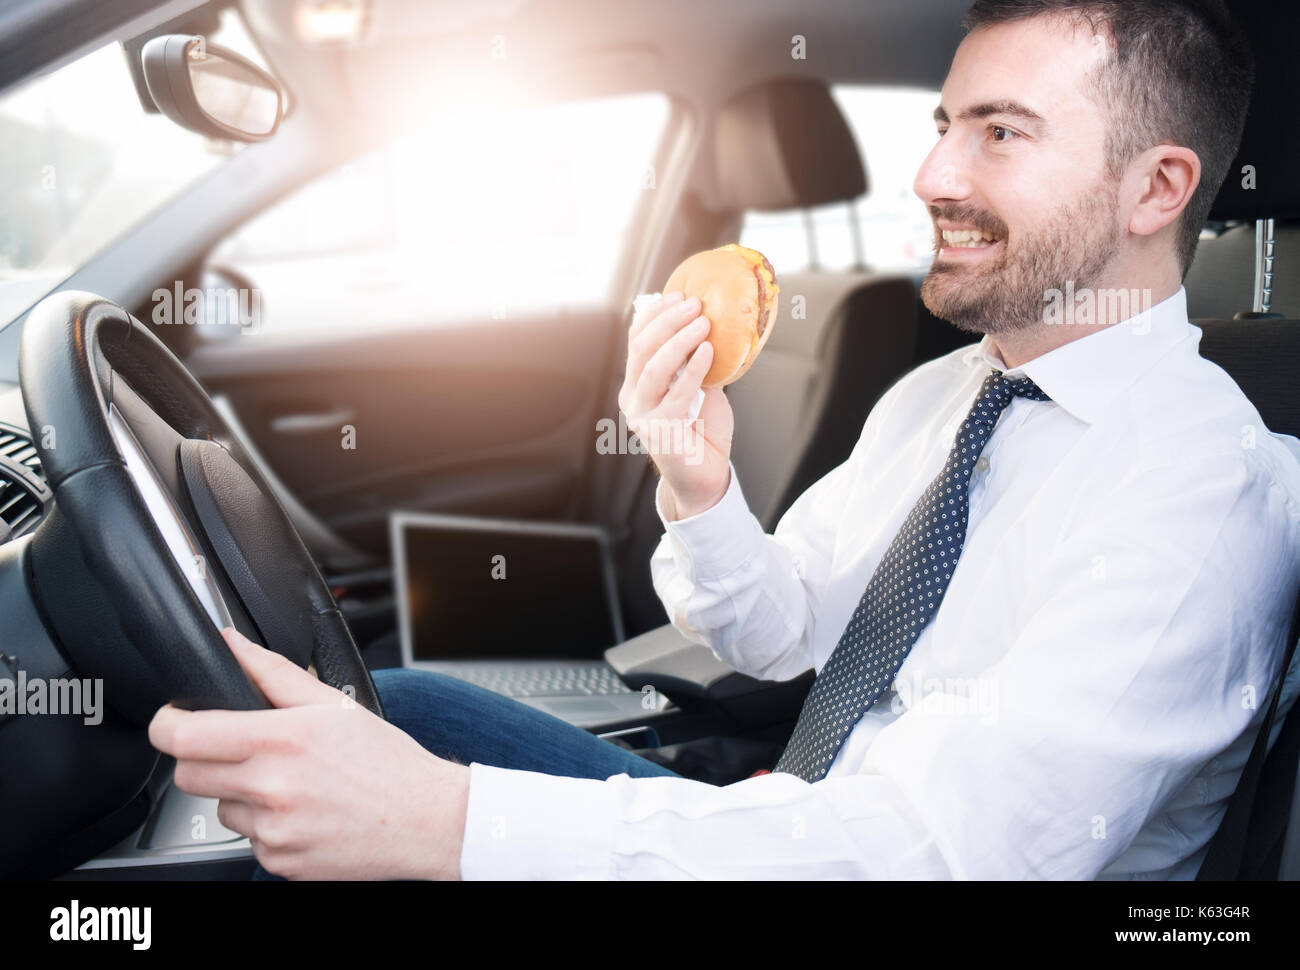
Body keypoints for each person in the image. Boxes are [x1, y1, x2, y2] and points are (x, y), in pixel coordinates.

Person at [149, 0, 1300, 879]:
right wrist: (700, 485)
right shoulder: (950, 391)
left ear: (1156, 189)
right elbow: (785, 632)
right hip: (796, 815)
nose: (932, 174)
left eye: (1000, 133)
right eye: (945, 123)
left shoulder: (1197, 497)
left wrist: (445, 824)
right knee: (391, 702)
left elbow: (931, 855)